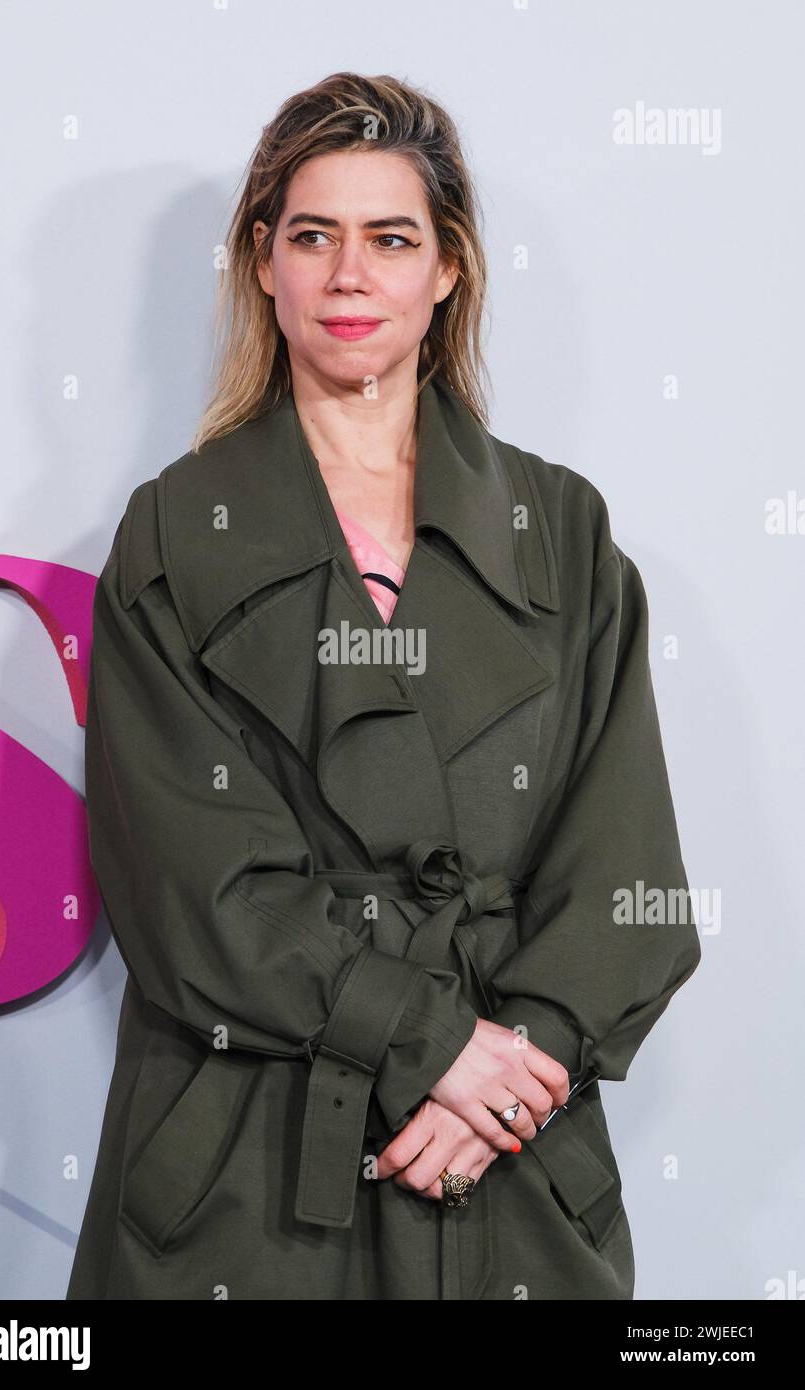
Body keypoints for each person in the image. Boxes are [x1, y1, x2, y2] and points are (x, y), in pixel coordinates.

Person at [66, 71, 701, 1301]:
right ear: (263, 262)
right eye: (312, 236)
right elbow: (189, 891)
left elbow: (625, 872)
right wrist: (430, 1043)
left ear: (447, 268)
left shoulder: (559, 530)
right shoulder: (175, 534)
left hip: (505, 1143)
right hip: (248, 1157)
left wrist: (513, 1071)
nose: (348, 275)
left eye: (389, 238)